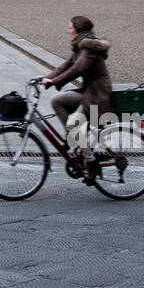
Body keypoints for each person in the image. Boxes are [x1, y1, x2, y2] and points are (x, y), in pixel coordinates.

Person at [39, 14, 112, 186]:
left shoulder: (89, 49)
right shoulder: (79, 46)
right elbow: (65, 66)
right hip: (88, 92)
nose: (68, 31)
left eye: (70, 28)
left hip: (97, 96)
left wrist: (55, 82)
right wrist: (45, 78)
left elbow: (76, 70)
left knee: (73, 124)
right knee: (57, 100)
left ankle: (92, 163)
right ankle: (72, 138)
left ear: (79, 30)